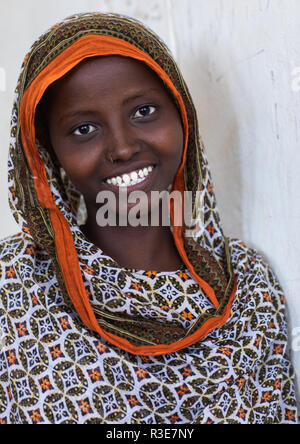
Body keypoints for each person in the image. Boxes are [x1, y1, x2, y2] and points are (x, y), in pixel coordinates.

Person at [0, 12, 298, 424]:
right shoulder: (14, 287)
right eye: (84, 129)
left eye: (143, 111)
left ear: (183, 116)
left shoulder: (246, 287)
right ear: (49, 155)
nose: (122, 148)